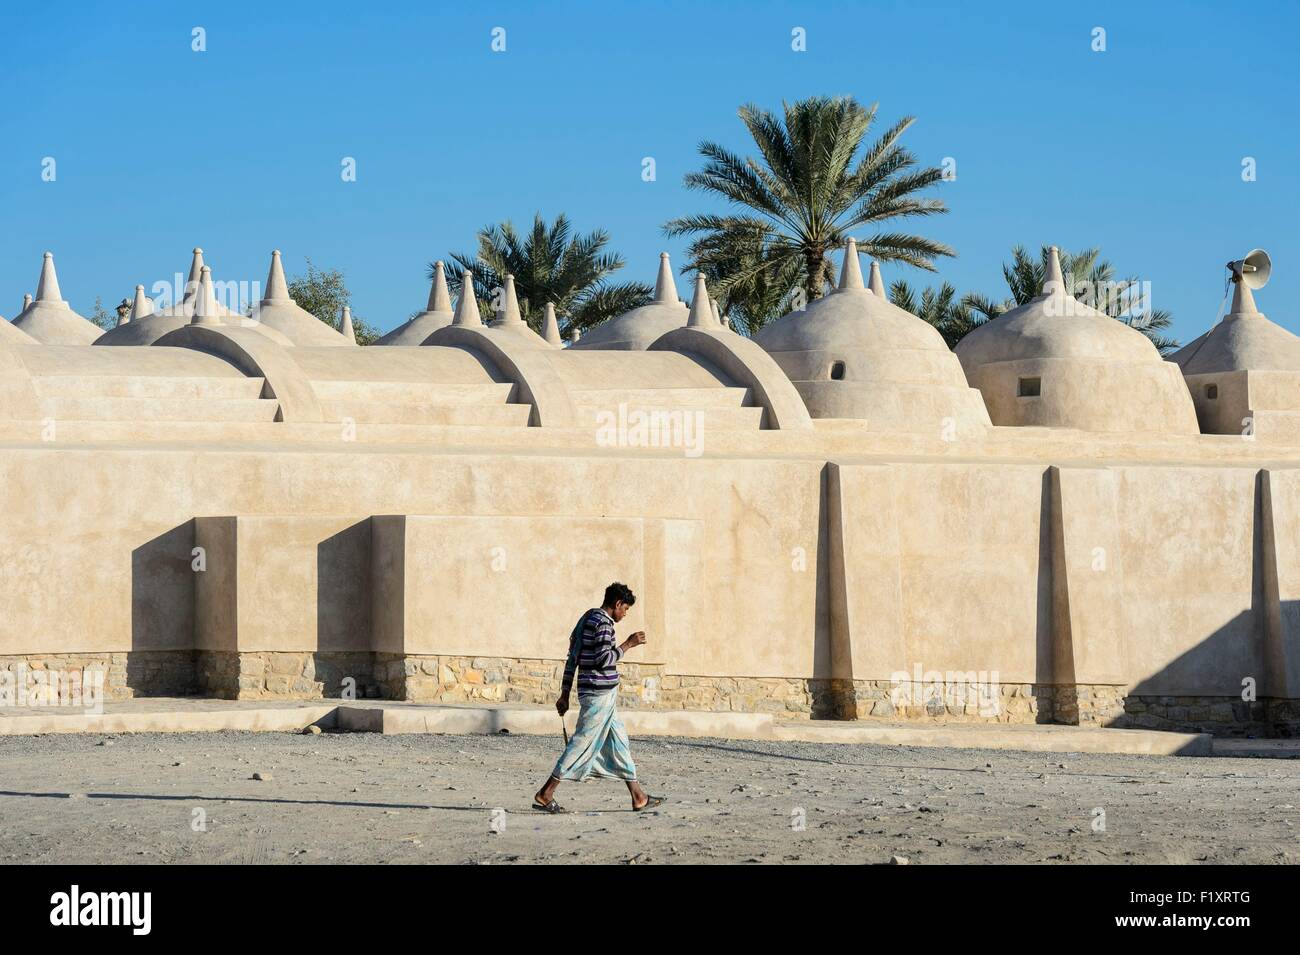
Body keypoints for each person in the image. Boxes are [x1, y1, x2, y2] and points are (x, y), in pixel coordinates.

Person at [533, 582, 665, 813]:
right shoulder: (604, 623)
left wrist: (565, 693)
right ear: (617, 604)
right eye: (625, 609)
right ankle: (546, 793)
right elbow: (605, 659)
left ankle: (638, 796)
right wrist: (628, 644)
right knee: (582, 742)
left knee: (619, 742)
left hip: (598, 694)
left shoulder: (586, 619)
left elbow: (572, 658)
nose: (625, 614)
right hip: (599, 694)